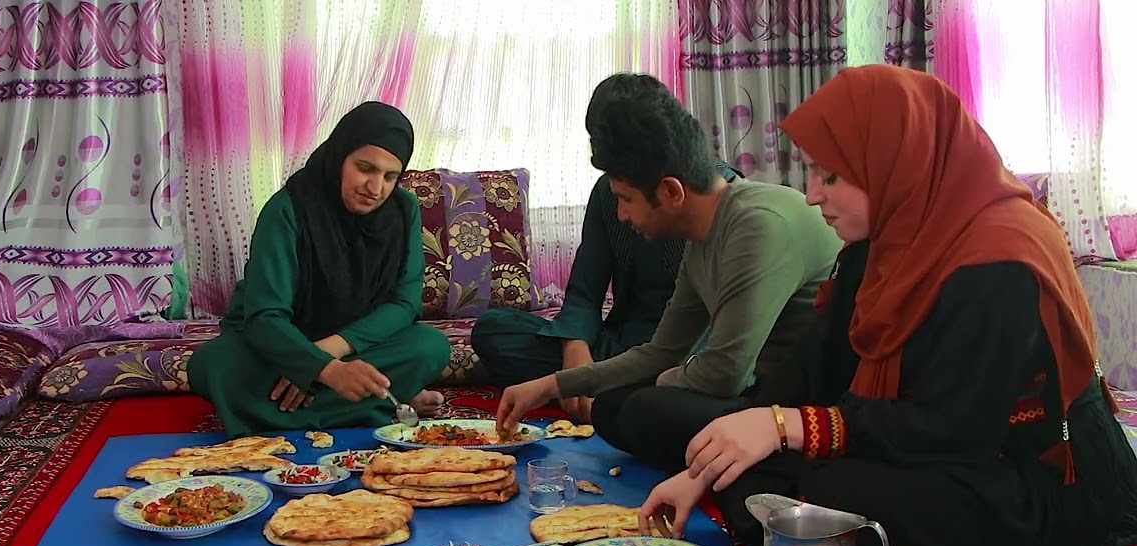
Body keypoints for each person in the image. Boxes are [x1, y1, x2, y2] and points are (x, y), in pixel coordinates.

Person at [636, 65, 1137, 546]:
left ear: (896, 164)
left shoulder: (1002, 257)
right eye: (811, 173)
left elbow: (952, 430)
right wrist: (703, 468)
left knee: (826, 487)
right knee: (751, 479)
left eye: (830, 177)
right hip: (928, 454)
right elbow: (808, 374)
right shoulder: (880, 246)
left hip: (1028, 482)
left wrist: (784, 426)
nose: (810, 196)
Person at [495, 80, 842, 468]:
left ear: (671, 193)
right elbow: (661, 350)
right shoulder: (702, 233)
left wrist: (659, 380)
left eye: (626, 201)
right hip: (739, 391)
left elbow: (725, 374)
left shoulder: (757, 225)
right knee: (615, 408)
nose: (622, 215)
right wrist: (549, 385)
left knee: (640, 409)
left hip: (786, 411)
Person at [472, 74, 739, 422]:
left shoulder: (716, 198)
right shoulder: (608, 193)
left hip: (687, 353)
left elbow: (730, 339)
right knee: (494, 329)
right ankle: (628, 394)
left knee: (698, 380)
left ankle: (636, 396)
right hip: (618, 347)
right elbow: (585, 290)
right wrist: (575, 350)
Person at [187, 101, 451, 437]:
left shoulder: (402, 210)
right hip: (274, 344)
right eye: (365, 168)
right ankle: (378, 404)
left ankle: (282, 417)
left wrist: (324, 359)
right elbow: (264, 317)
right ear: (340, 156)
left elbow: (405, 304)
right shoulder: (288, 208)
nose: (376, 187)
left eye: (390, 176)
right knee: (214, 364)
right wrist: (320, 369)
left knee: (430, 345)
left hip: (351, 344)